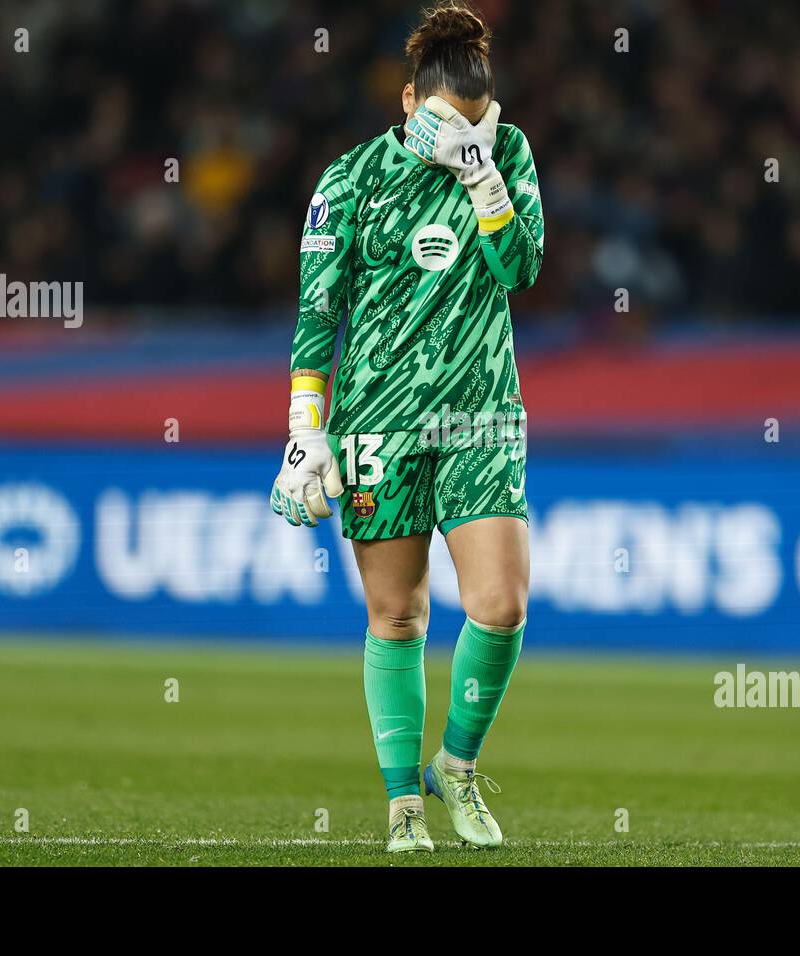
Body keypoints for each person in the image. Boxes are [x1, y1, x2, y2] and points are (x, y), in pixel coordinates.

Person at [269, 1, 543, 853]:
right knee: (397, 617)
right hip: (378, 422)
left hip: (481, 415)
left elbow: (521, 268)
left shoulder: (509, 156)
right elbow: (319, 314)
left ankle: (455, 768)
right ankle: (403, 807)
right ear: (406, 102)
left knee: (499, 605)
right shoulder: (349, 181)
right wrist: (305, 430)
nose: (461, 138)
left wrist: (482, 177)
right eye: (444, 125)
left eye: (475, 125)